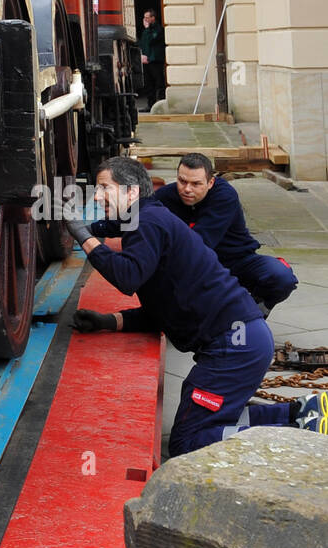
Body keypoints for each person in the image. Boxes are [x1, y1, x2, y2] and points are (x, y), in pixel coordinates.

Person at [65, 156, 323, 455]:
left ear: (132, 192)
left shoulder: (147, 223)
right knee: (217, 421)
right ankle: (298, 414)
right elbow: (161, 313)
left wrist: (81, 234)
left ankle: (295, 433)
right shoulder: (152, 218)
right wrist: (108, 321)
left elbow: (127, 276)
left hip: (232, 350)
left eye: (104, 188)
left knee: (186, 445)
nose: (97, 197)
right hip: (245, 343)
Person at [155, 153, 297, 312]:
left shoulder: (224, 195)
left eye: (196, 184)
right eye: (182, 181)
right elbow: (135, 217)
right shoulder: (165, 196)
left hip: (236, 262)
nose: (187, 189)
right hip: (195, 267)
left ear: (210, 182)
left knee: (281, 276)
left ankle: (253, 311)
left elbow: (200, 243)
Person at [139, 10, 166, 107]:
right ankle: (150, 105)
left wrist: (147, 29)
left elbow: (151, 40)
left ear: (153, 18)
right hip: (147, 61)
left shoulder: (158, 29)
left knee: (159, 83)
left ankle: (161, 105)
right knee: (149, 85)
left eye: (147, 17)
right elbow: (142, 43)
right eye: (144, 17)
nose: (145, 20)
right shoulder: (147, 30)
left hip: (155, 60)